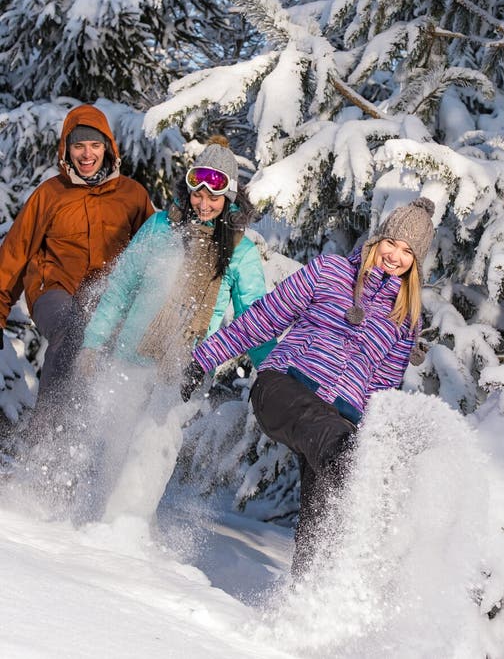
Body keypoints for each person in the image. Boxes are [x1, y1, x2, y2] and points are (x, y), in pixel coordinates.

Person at [181, 196, 436, 576]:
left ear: (416, 262)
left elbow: (383, 390)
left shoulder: (405, 317)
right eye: (391, 243)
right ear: (377, 240)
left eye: (407, 252)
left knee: (326, 515)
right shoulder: (329, 272)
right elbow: (264, 319)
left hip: (339, 422)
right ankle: (347, 460)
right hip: (284, 388)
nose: (395, 256)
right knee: (338, 447)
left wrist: (372, 440)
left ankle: (308, 600)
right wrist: (204, 359)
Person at [78, 136, 275, 521]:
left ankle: (127, 527)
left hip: (186, 367)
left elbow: (255, 319)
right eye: (197, 193)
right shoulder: (159, 227)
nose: (203, 203)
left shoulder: (239, 251)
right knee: (116, 440)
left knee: (155, 441)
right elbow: (121, 287)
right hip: (131, 353)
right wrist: (93, 341)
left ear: (229, 198)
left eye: (214, 197)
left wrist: (271, 368)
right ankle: (95, 515)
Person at [0, 104, 154, 426]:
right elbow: (15, 252)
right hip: (55, 290)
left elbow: (156, 250)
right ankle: (47, 437)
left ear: (107, 148)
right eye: (79, 145)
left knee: (116, 351)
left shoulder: (132, 195)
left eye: (95, 145)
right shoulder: (50, 194)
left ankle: (96, 443)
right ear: (67, 149)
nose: (87, 154)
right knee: (74, 330)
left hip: (110, 299)